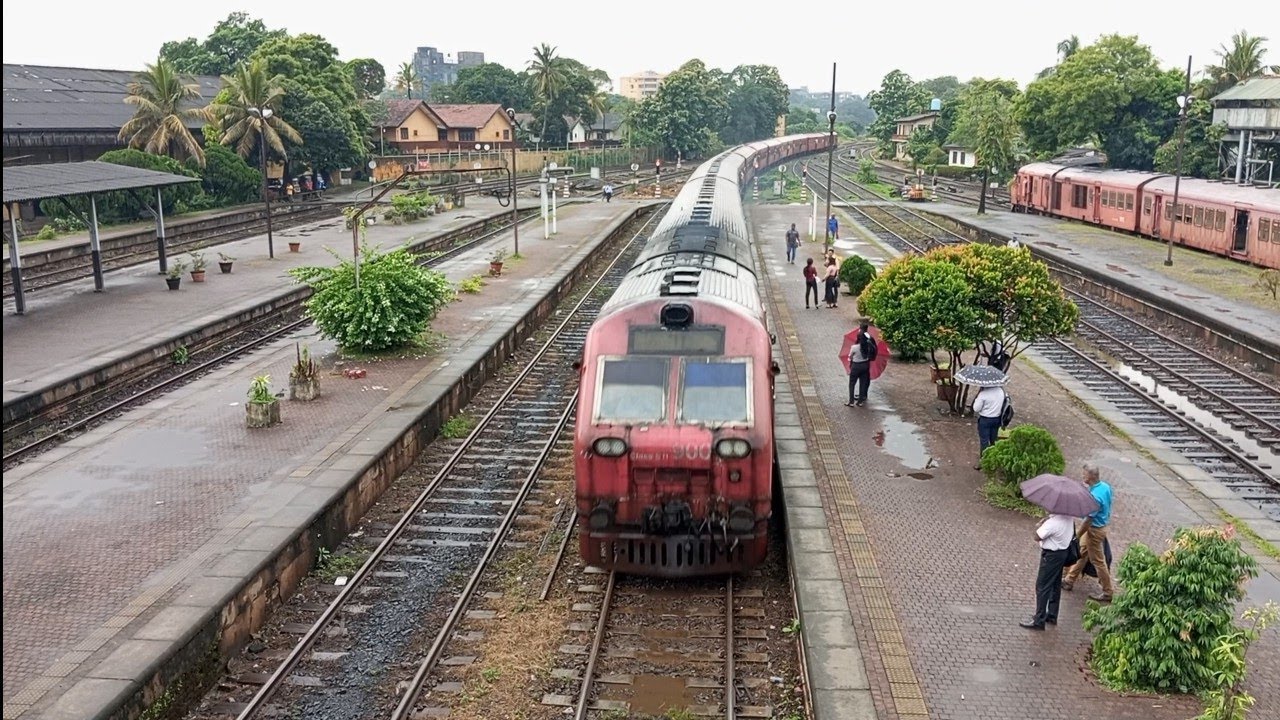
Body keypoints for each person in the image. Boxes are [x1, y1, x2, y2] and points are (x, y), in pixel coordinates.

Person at [1062, 464, 1115, 602]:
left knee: (1098, 561)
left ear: (1092, 476)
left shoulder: (1095, 497)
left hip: (1094, 531)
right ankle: (1069, 580)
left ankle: (1107, 591)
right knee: (1082, 553)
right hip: (1100, 526)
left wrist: (1077, 535)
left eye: (1085, 474)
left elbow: (1088, 521)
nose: (1083, 476)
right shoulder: (1105, 487)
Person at [1021, 511, 1075, 630]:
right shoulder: (1069, 518)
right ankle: (1052, 615)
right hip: (1062, 554)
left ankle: (1039, 619)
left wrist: (1040, 524)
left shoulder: (1052, 523)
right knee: (1055, 584)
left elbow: (1037, 536)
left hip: (1051, 556)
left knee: (1042, 586)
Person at [971, 383, 1007, 469]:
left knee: (984, 441)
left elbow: (976, 408)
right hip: (997, 419)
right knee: (994, 440)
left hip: (985, 420)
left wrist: (977, 398)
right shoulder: (1000, 391)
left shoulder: (983, 394)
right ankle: (994, 460)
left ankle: (984, 461)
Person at [846, 318, 875, 407]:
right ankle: (860, 401)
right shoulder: (868, 344)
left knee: (852, 384)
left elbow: (850, 357)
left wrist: (850, 358)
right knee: (863, 383)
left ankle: (851, 401)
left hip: (856, 366)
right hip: (865, 365)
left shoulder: (854, 347)